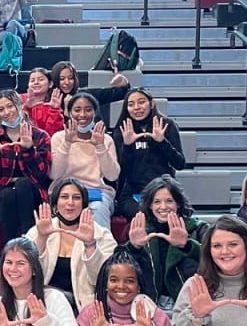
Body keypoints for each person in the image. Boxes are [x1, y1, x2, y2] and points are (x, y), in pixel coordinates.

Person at [25, 178, 117, 309]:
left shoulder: (102, 235)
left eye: (76, 198)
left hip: (85, 308)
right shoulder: (37, 232)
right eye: (64, 197)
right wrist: (42, 238)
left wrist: (90, 245)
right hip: (45, 305)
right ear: (55, 204)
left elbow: (105, 280)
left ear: (84, 204)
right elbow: (28, 274)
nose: (70, 203)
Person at [126, 176, 210, 311]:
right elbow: (121, 267)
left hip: (190, 302)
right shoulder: (140, 230)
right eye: (157, 202)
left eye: (169, 201)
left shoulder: (199, 229)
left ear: (178, 204)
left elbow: (214, 260)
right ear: (150, 205)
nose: (163, 207)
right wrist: (134, 248)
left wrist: (186, 245)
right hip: (149, 304)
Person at [0, 90, 53, 242]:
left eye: (10, 106)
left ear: (19, 106)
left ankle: (26, 242)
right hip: (0, 194)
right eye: (1, 109)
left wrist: (28, 150)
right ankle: (12, 247)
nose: (7, 112)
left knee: (23, 184)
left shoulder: (40, 136)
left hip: (33, 193)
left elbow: (43, 173)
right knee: (8, 195)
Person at [50, 92, 120, 229]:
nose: (82, 115)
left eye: (88, 110)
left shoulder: (105, 139)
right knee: (65, 210)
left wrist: (100, 146)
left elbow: (112, 175)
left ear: (95, 113)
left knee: (98, 210)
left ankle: (101, 249)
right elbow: (54, 174)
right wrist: (67, 143)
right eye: (77, 110)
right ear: (69, 113)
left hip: (96, 192)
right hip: (65, 191)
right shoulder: (58, 137)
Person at [112, 88, 186, 217]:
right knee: (142, 216)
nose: (136, 108)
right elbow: (121, 171)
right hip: (134, 191)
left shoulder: (166, 124)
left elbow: (179, 163)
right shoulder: (123, 129)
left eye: (141, 102)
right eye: (131, 104)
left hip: (163, 188)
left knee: (163, 212)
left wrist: (161, 142)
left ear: (151, 104)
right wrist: (127, 146)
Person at [50, 60, 130, 120]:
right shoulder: (48, 99)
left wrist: (125, 83)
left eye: (71, 78)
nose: (67, 82)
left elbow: (122, 93)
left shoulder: (87, 95)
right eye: (62, 79)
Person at [22, 68, 66, 138]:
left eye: (41, 79)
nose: (36, 82)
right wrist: (27, 108)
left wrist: (54, 110)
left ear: (50, 84)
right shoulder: (19, 99)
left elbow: (52, 134)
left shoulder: (54, 103)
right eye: (32, 80)